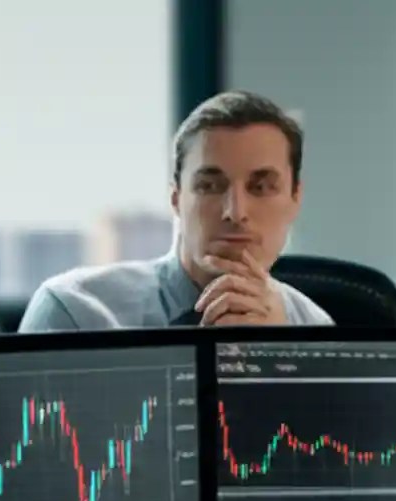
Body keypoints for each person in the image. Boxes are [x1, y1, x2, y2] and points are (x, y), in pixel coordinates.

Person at [18, 91, 332, 331]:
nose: (235, 212)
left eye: (261, 187)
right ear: (175, 199)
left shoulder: (312, 327)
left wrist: (280, 354)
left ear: (295, 198)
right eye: (210, 186)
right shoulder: (74, 314)